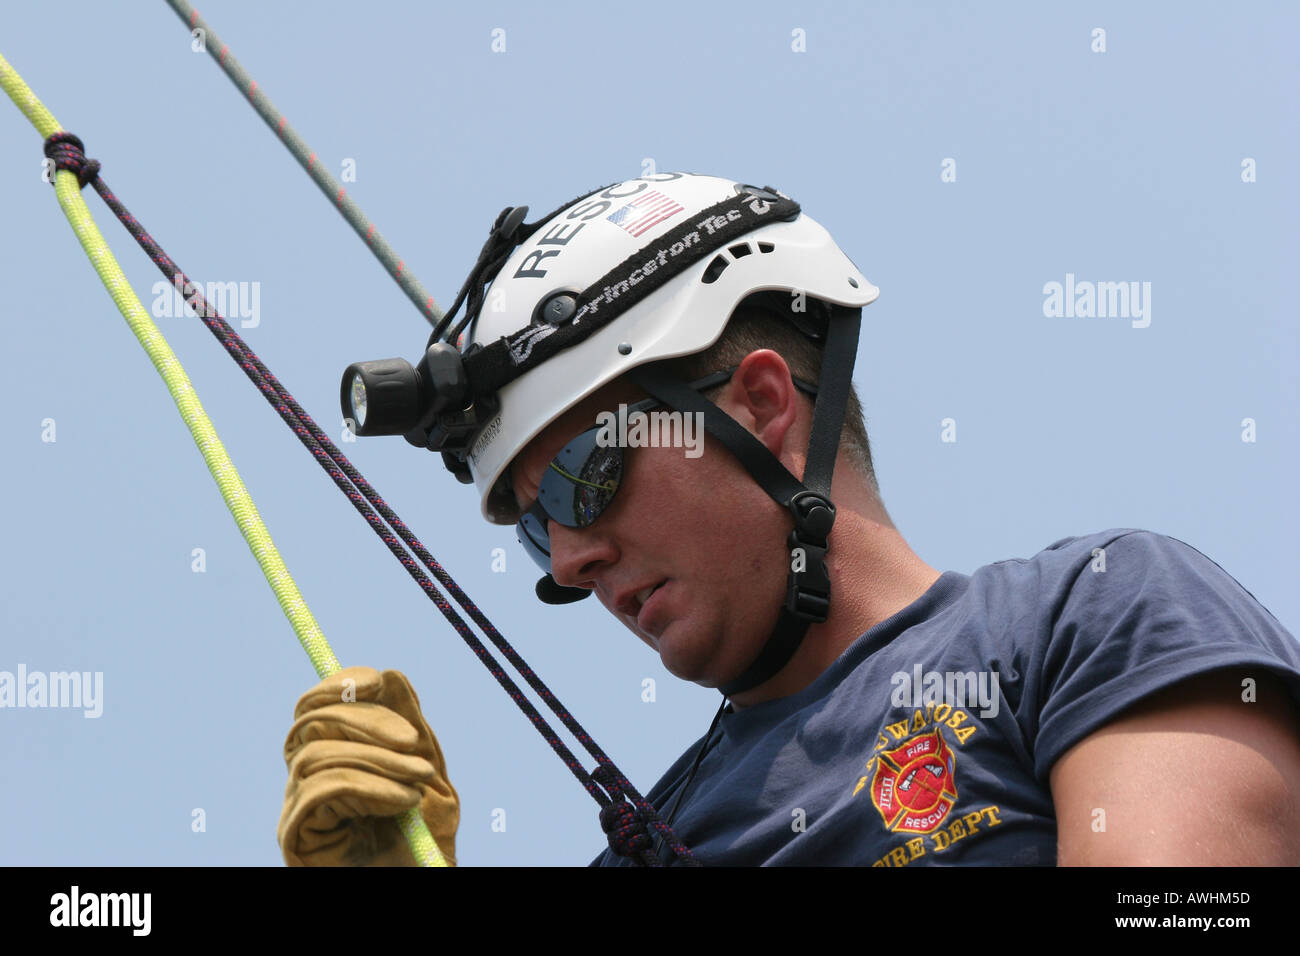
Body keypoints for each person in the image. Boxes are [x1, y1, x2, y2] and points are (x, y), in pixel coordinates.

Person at [277, 173, 1300, 867]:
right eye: (538, 529)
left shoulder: (1097, 614)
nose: (576, 558)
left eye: (583, 478)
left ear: (759, 405)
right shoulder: (650, 838)